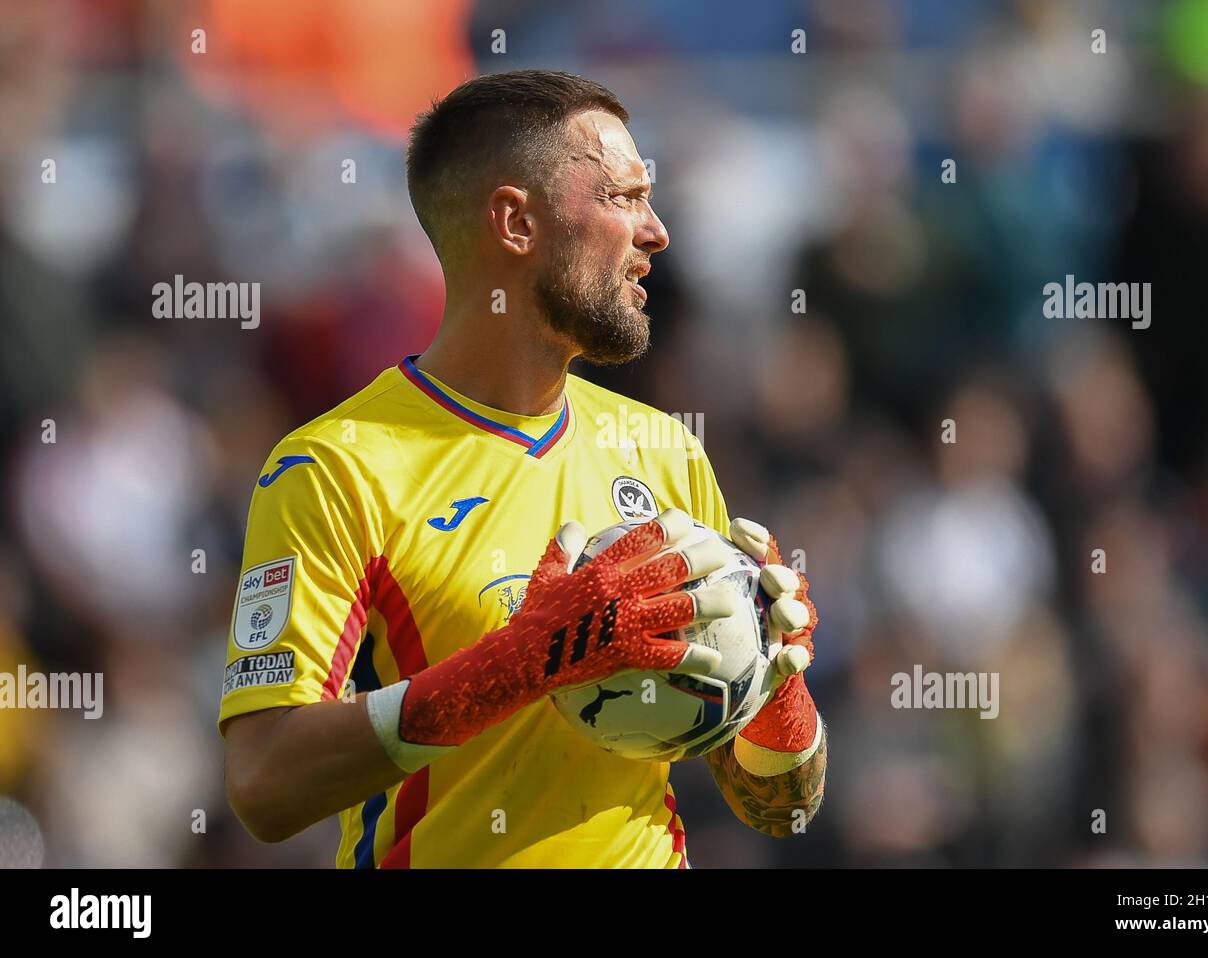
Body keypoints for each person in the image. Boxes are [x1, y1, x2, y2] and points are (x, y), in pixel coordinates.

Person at [218, 70, 826, 868]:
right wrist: (521, 662)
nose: (657, 232)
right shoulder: (336, 467)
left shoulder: (663, 448)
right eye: (623, 197)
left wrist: (773, 682)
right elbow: (265, 784)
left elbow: (781, 808)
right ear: (514, 222)